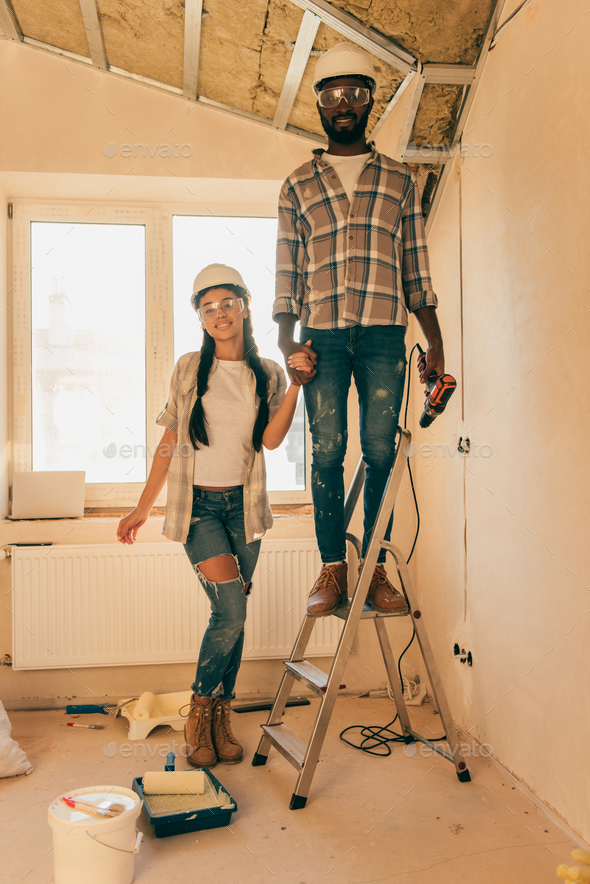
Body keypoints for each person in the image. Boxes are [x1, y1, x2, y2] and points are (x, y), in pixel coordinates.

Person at [273, 43, 445, 618]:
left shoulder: (399, 181)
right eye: (331, 94)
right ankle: (332, 567)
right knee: (326, 452)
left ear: (370, 101)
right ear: (317, 104)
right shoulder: (298, 185)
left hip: (381, 336)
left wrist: (437, 343)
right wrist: (284, 338)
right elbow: (287, 269)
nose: (342, 104)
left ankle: (373, 572)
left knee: (379, 452)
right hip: (320, 336)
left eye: (354, 93)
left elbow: (417, 266)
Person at [117, 264, 312, 768]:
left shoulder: (267, 371)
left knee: (234, 616)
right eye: (208, 308)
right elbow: (170, 439)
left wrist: (294, 387)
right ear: (200, 319)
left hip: (243, 509)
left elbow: (270, 440)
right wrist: (143, 505)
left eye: (227, 303)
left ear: (245, 307)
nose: (219, 313)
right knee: (231, 608)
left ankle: (221, 717)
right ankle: (199, 711)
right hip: (198, 508)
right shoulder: (188, 368)